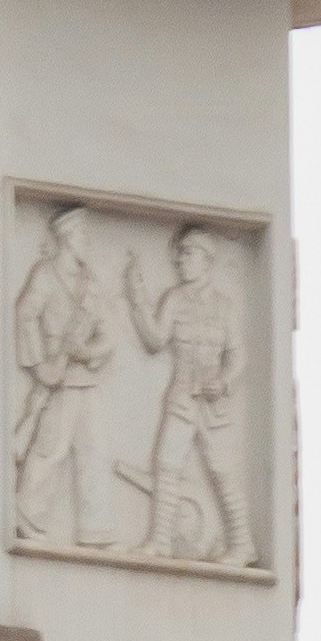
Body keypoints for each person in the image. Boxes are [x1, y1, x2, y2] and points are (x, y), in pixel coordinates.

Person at [124, 219, 247, 563]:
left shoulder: (224, 306)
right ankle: (160, 541)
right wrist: (137, 297)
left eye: (189, 254)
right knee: (166, 464)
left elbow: (238, 354)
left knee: (221, 470)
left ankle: (242, 543)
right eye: (180, 255)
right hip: (180, 397)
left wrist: (223, 381)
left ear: (206, 260)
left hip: (212, 403)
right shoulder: (174, 298)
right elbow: (155, 339)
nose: (182, 261)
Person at [12, 204, 115, 546]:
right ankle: (27, 515)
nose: (87, 241)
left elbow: (107, 334)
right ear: (68, 238)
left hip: (84, 376)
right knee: (49, 449)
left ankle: (95, 528)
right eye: (82, 235)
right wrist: (39, 364)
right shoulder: (46, 274)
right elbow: (25, 316)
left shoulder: (91, 283)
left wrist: (90, 353)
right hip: (57, 377)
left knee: (95, 451)